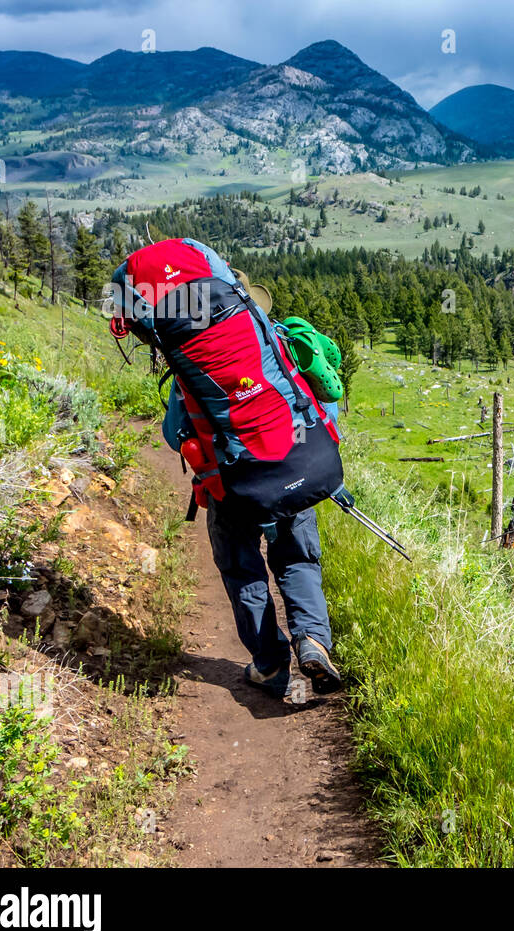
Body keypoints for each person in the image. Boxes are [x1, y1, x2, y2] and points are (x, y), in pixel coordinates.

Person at [110, 240, 343, 699]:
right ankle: (313, 641)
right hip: (295, 462)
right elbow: (321, 401)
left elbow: (177, 434)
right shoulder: (275, 344)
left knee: (243, 571)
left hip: (235, 485)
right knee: (297, 560)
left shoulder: (188, 373)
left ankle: (270, 665)